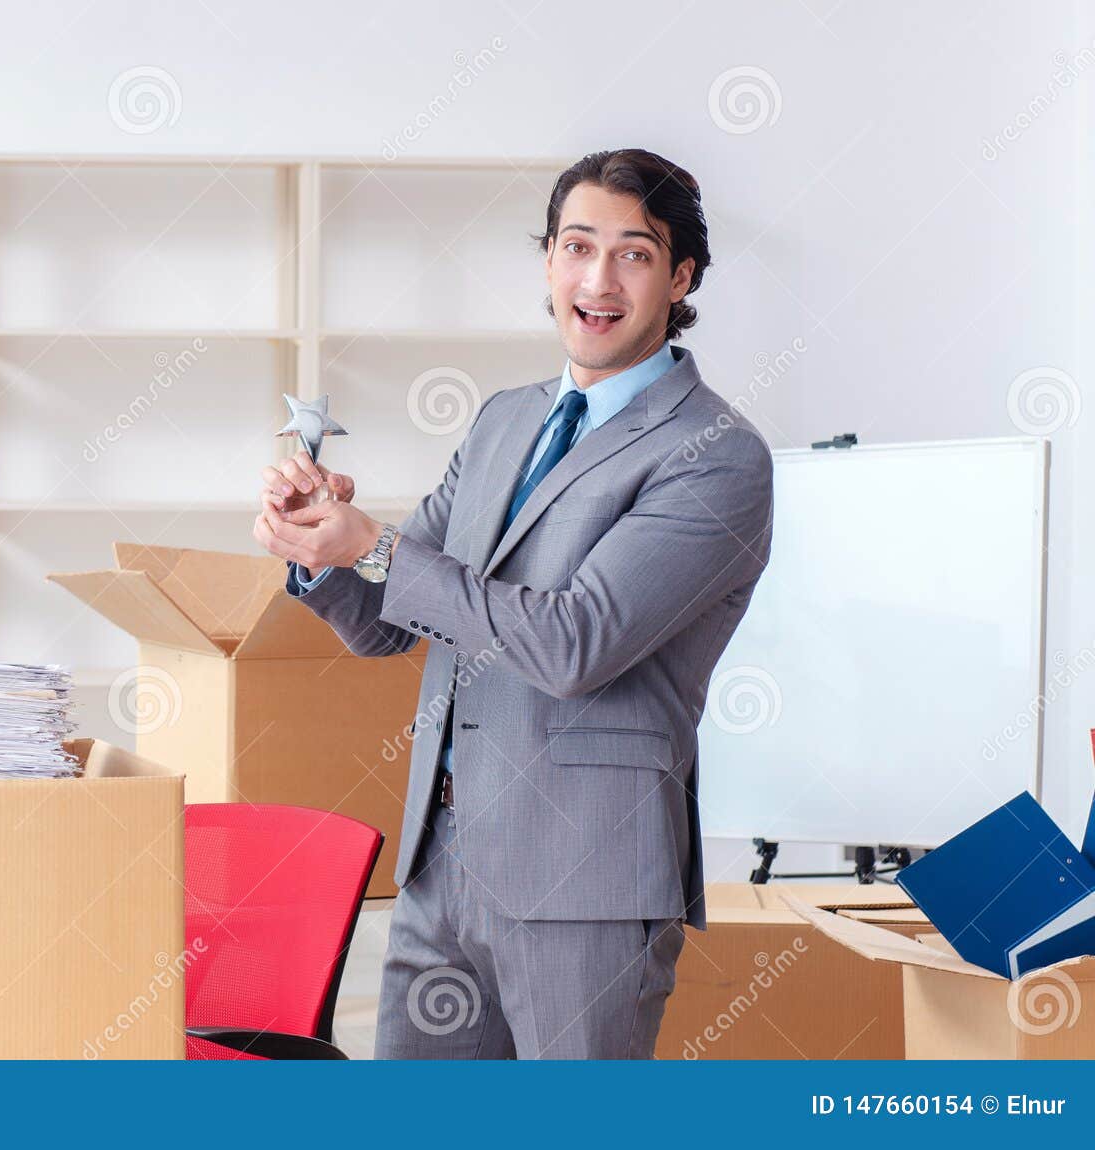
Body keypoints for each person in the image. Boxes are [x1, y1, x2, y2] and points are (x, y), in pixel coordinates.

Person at [253, 148, 774, 1059]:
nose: (598, 280)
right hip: (441, 864)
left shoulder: (716, 453)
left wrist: (376, 546)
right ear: (548, 262)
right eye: (577, 246)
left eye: (634, 254)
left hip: (585, 881)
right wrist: (320, 549)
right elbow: (389, 621)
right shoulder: (504, 420)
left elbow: (576, 644)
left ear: (681, 278)